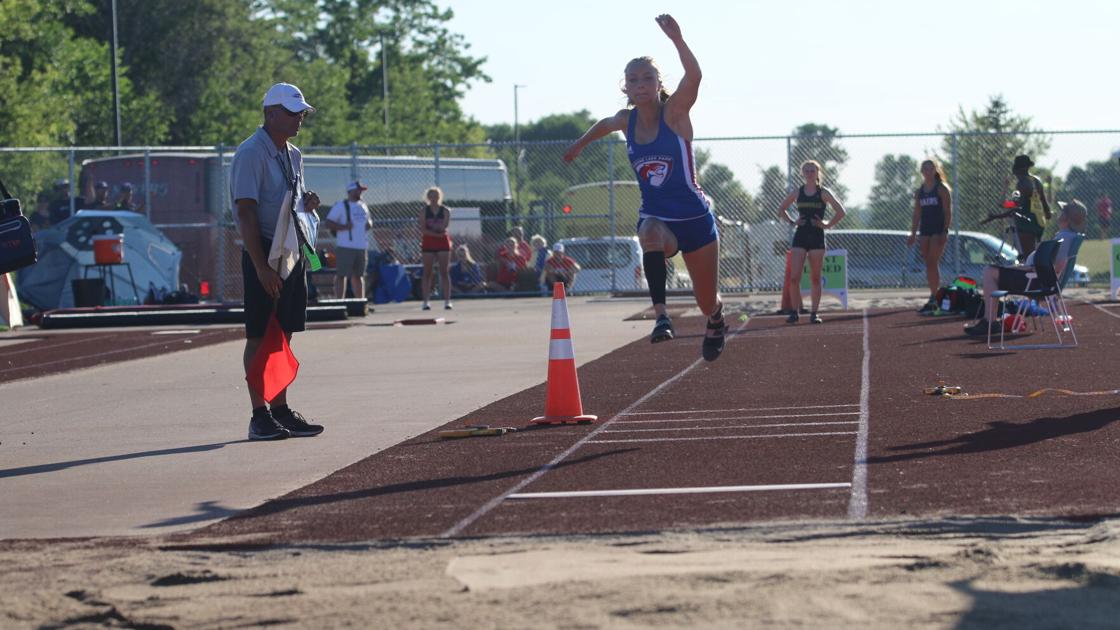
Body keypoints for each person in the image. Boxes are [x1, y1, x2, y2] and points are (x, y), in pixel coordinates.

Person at [563, 14, 729, 361]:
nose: (640, 84)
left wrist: (678, 39)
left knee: (705, 300)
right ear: (625, 86)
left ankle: (716, 318)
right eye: (633, 79)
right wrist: (579, 144)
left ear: (657, 84)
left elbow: (695, 77)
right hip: (659, 218)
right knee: (649, 234)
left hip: (695, 220)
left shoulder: (676, 113)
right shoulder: (627, 120)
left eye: (647, 78)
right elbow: (606, 123)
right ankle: (662, 317)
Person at [229, 81, 324, 441]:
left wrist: (307, 203)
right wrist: (261, 266)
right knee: (258, 333)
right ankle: (259, 414)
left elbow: (291, 203)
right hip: (265, 251)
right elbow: (246, 213)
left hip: (290, 250)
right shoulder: (251, 153)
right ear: (270, 114)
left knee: (282, 333)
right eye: (291, 111)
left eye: (301, 112)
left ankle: (280, 409)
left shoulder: (293, 153)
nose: (299, 117)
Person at [964, 199, 1087, 336]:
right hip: (1037, 279)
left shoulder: (1065, 238)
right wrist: (1025, 268)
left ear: (1067, 219)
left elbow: (1057, 267)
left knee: (989, 271)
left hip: (1035, 282)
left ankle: (990, 322)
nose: (1059, 213)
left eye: (1063, 211)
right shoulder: (1068, 236)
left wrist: (1028, 269)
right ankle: (990, 321)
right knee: (994, 271)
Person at [776, 160, 847, 324]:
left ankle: (814, 313)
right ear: (802, 173)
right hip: (800, 236)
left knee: (815, 278)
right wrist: (793, 222)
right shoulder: (798, 192)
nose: (809, 173)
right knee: (794, 278)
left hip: (816, 236)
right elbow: (781, 209)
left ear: (817, 173)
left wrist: (827, 225)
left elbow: (841, 211)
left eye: (812, 170)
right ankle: (794, 312)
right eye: (806, 171)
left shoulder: (823, 192)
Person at [982, 155, 1052, 261]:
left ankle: (1031, 275)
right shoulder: (1036, 181)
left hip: (1026, 225)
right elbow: (1044, 205)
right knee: (1034, 255)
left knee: (1028, 258)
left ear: (1018, 170)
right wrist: (1047, 214)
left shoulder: (1022, 184)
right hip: (1038, 224)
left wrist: (996, 216)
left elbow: (1015, 207)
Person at [907, 159, 953, 313]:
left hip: (937, 230)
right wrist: (913, 233)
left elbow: (947, 211)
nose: (927, 171)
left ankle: (935, 297)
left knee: (933, 262)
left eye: (930, 168)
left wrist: (945, 231)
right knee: (928, 264)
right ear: (922, 171)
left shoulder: (941, 189)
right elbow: (917, 213)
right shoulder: (920, 191)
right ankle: (933, 295)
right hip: (924, 231)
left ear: (935, 170)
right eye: (924, 169)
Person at [323, 180, 372, 300]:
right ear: (351, 191)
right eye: (358, 190)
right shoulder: (340, 205)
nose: (361, 192)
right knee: (341, 275)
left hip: (361, 246)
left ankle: (360, 302)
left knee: (359, 276)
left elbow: (369, 220)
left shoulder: (363, 205)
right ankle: (340, 301)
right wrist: (344, 227)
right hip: (346, 246)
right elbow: (328, 223)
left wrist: (369, 224)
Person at [419, 186, 453, 310]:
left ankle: (447, 301)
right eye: (431, 196)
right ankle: (426, 301)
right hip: (428, 243)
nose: (434, 198)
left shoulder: (445, 211)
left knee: (444, 272)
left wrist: (439, 232)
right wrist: (435, 233)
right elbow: (423, 229)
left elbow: (444, 227)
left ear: (440, 197)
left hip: (443, 243)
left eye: (436, 196)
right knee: (427, 272)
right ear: (428, 197)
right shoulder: (424, 211)